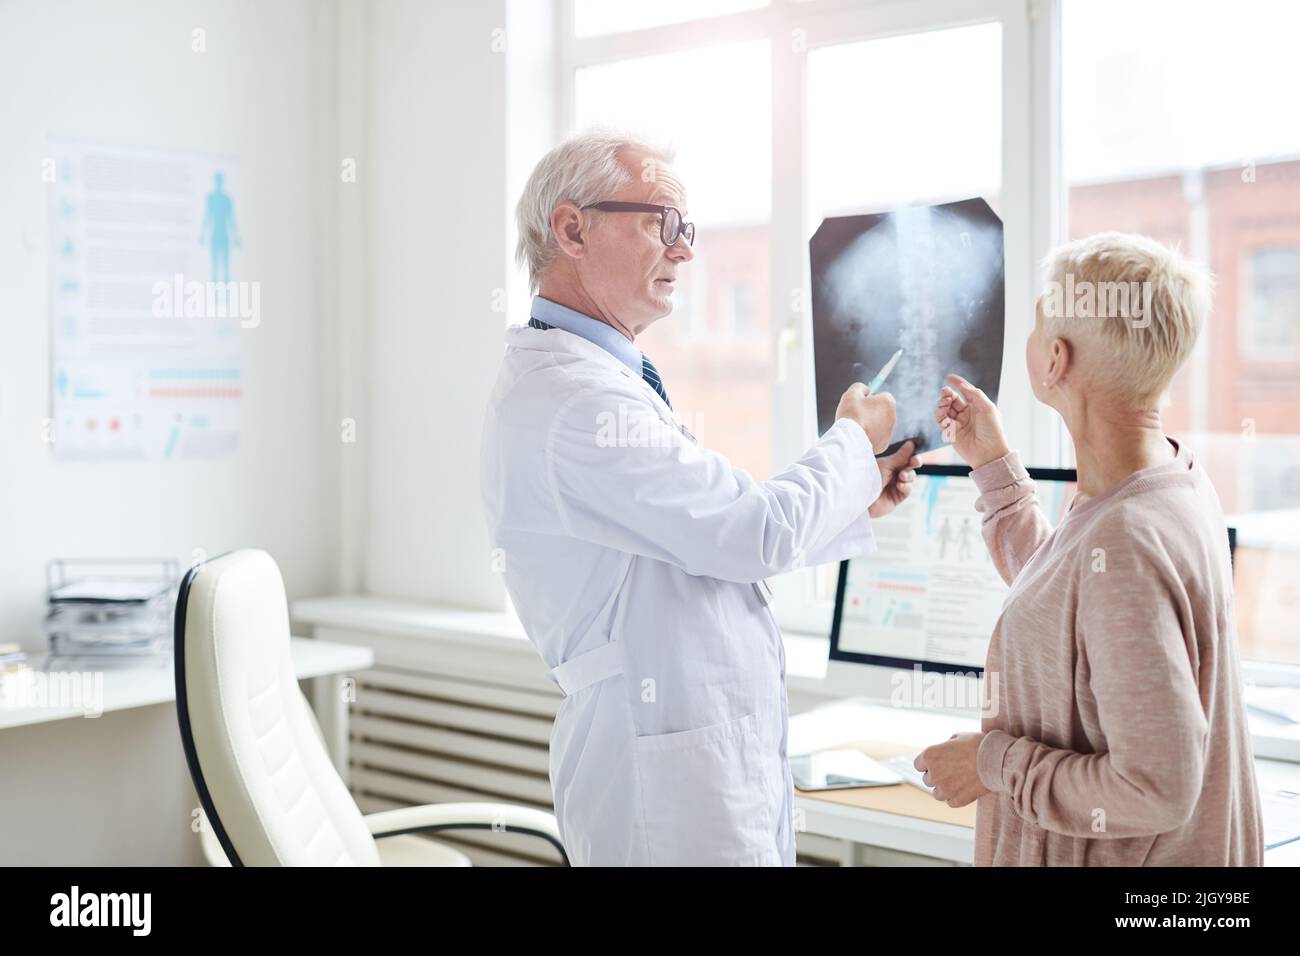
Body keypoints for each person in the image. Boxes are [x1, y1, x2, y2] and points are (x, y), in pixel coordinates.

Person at [480, 130, 920, 865]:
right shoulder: (572, 401)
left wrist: (855, 495)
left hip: (682, 753)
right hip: (658, 782)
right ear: (571, 228)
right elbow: (749, 532)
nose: (685, 250)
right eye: (664, 223)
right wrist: (848, 442)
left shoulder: (600, 382)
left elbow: (700, 548)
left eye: (689, 229)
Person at [915, 232, 1263, 865]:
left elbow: (1155, 787)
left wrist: (992, 764)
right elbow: (1069, 604)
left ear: (1055, 360)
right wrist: (994, 466)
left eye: (1039, 318)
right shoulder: (1170, 482)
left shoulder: (1128, 537)